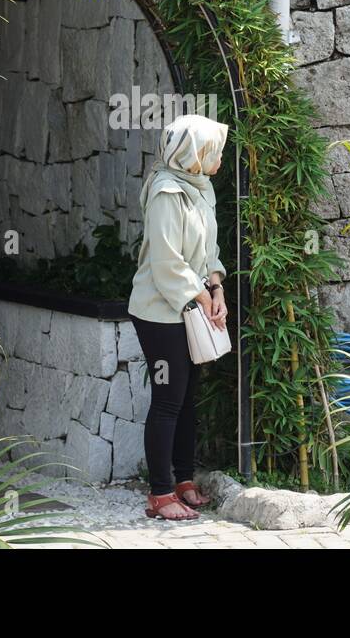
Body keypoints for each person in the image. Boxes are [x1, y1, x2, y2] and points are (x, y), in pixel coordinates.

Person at [127, 113, 229, 520]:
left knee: (187, 398)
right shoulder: (167, 192)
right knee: (168, 400)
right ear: (193, 154)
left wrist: (217, 288)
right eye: (213, 152)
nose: (219, 158)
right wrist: (203, 298)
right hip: (159, 312)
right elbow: (167, 262)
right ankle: (160, 493)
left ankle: (184, 480)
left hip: (191, 306)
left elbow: (209, 252)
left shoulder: (200, 187)